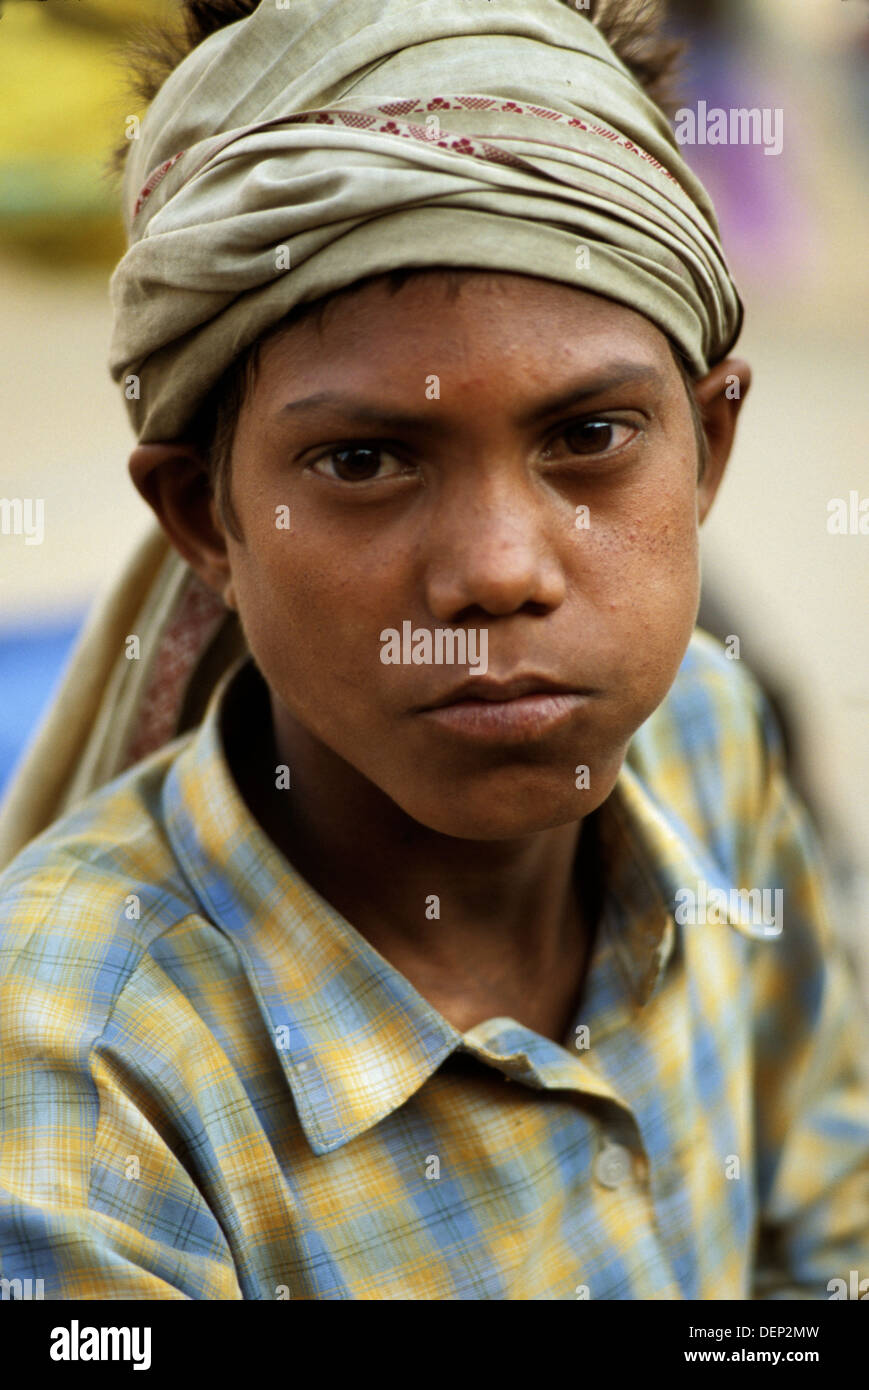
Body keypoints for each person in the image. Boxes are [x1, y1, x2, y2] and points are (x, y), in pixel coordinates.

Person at [0, 0, 867, 1301]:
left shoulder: (705, 734)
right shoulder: (85, 1068)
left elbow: (825, 1209)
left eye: (587, 437)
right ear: (203, 516)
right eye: (363, 461)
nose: (501, 571)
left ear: (707, 450)